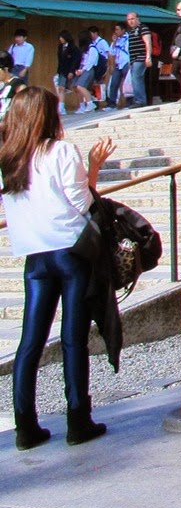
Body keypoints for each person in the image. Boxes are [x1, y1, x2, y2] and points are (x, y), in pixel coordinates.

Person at [1, 86, 115, 449]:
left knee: (30, 342)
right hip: (70, 251)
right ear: (47, 115)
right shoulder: (62, 150)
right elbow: (83, 203)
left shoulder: (8, 157)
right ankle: (78, 420)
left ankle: (25, 426)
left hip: (35, 256)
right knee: (72, 340)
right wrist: (94, 168)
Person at [123, 13, 157, 108]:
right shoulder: (131, 31)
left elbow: (148, 42)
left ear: (138, 19)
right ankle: (138, 100)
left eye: (133, 19)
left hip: (140, 57)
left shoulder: (143, 28)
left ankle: (140, 101)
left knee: (136, 78)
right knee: (135, 79)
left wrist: (148, 57)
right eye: (129, 19)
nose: (131, 21)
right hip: (133, 59)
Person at [68, 29, 105, 116]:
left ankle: (90, 103)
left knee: (81, 86)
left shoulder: (92, 48)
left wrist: (83, 70)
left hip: (88, 70)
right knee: (75, 87)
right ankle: (81, 106)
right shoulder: (83, 49)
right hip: (81, 69)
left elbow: (91, 62)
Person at [4, 29, 33, 110]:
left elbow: (29, 58)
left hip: (22, 67)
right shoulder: (13, 46)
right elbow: (8, 57)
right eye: (16, 37)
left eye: (19, 37)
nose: (17, 39)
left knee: (21, 87)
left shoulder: (29, 47)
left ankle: (23, 107)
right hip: (12, 67)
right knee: (11, 86)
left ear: (25, 38)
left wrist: (25, 69)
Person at [105, 26, 130, 111]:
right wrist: (114, 42)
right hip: (118, 64)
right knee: (114, 84)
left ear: (123, 30)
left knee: (127, 83)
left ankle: (129, 103)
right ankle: (112, 104)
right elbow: (112, 52)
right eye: (115, 30)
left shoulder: (128, 38)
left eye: (117, 29)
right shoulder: (116, 40)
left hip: (126, 62)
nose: (116, 31)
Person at [53, 33, 78, 103]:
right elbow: (60, 60)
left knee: (75, 87)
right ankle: (61, 105)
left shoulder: (73, 48)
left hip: (70, 70)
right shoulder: (60, 47)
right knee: (61, 87)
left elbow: (75, 61)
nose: (60, 39)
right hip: (62, 70)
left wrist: (71, 71)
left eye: (62, 37)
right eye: (60, 37)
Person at [168, 1, 181, 95]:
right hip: (178, 49)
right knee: (175, 70)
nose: (177, 12)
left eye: (179, 9)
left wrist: (179, 48)